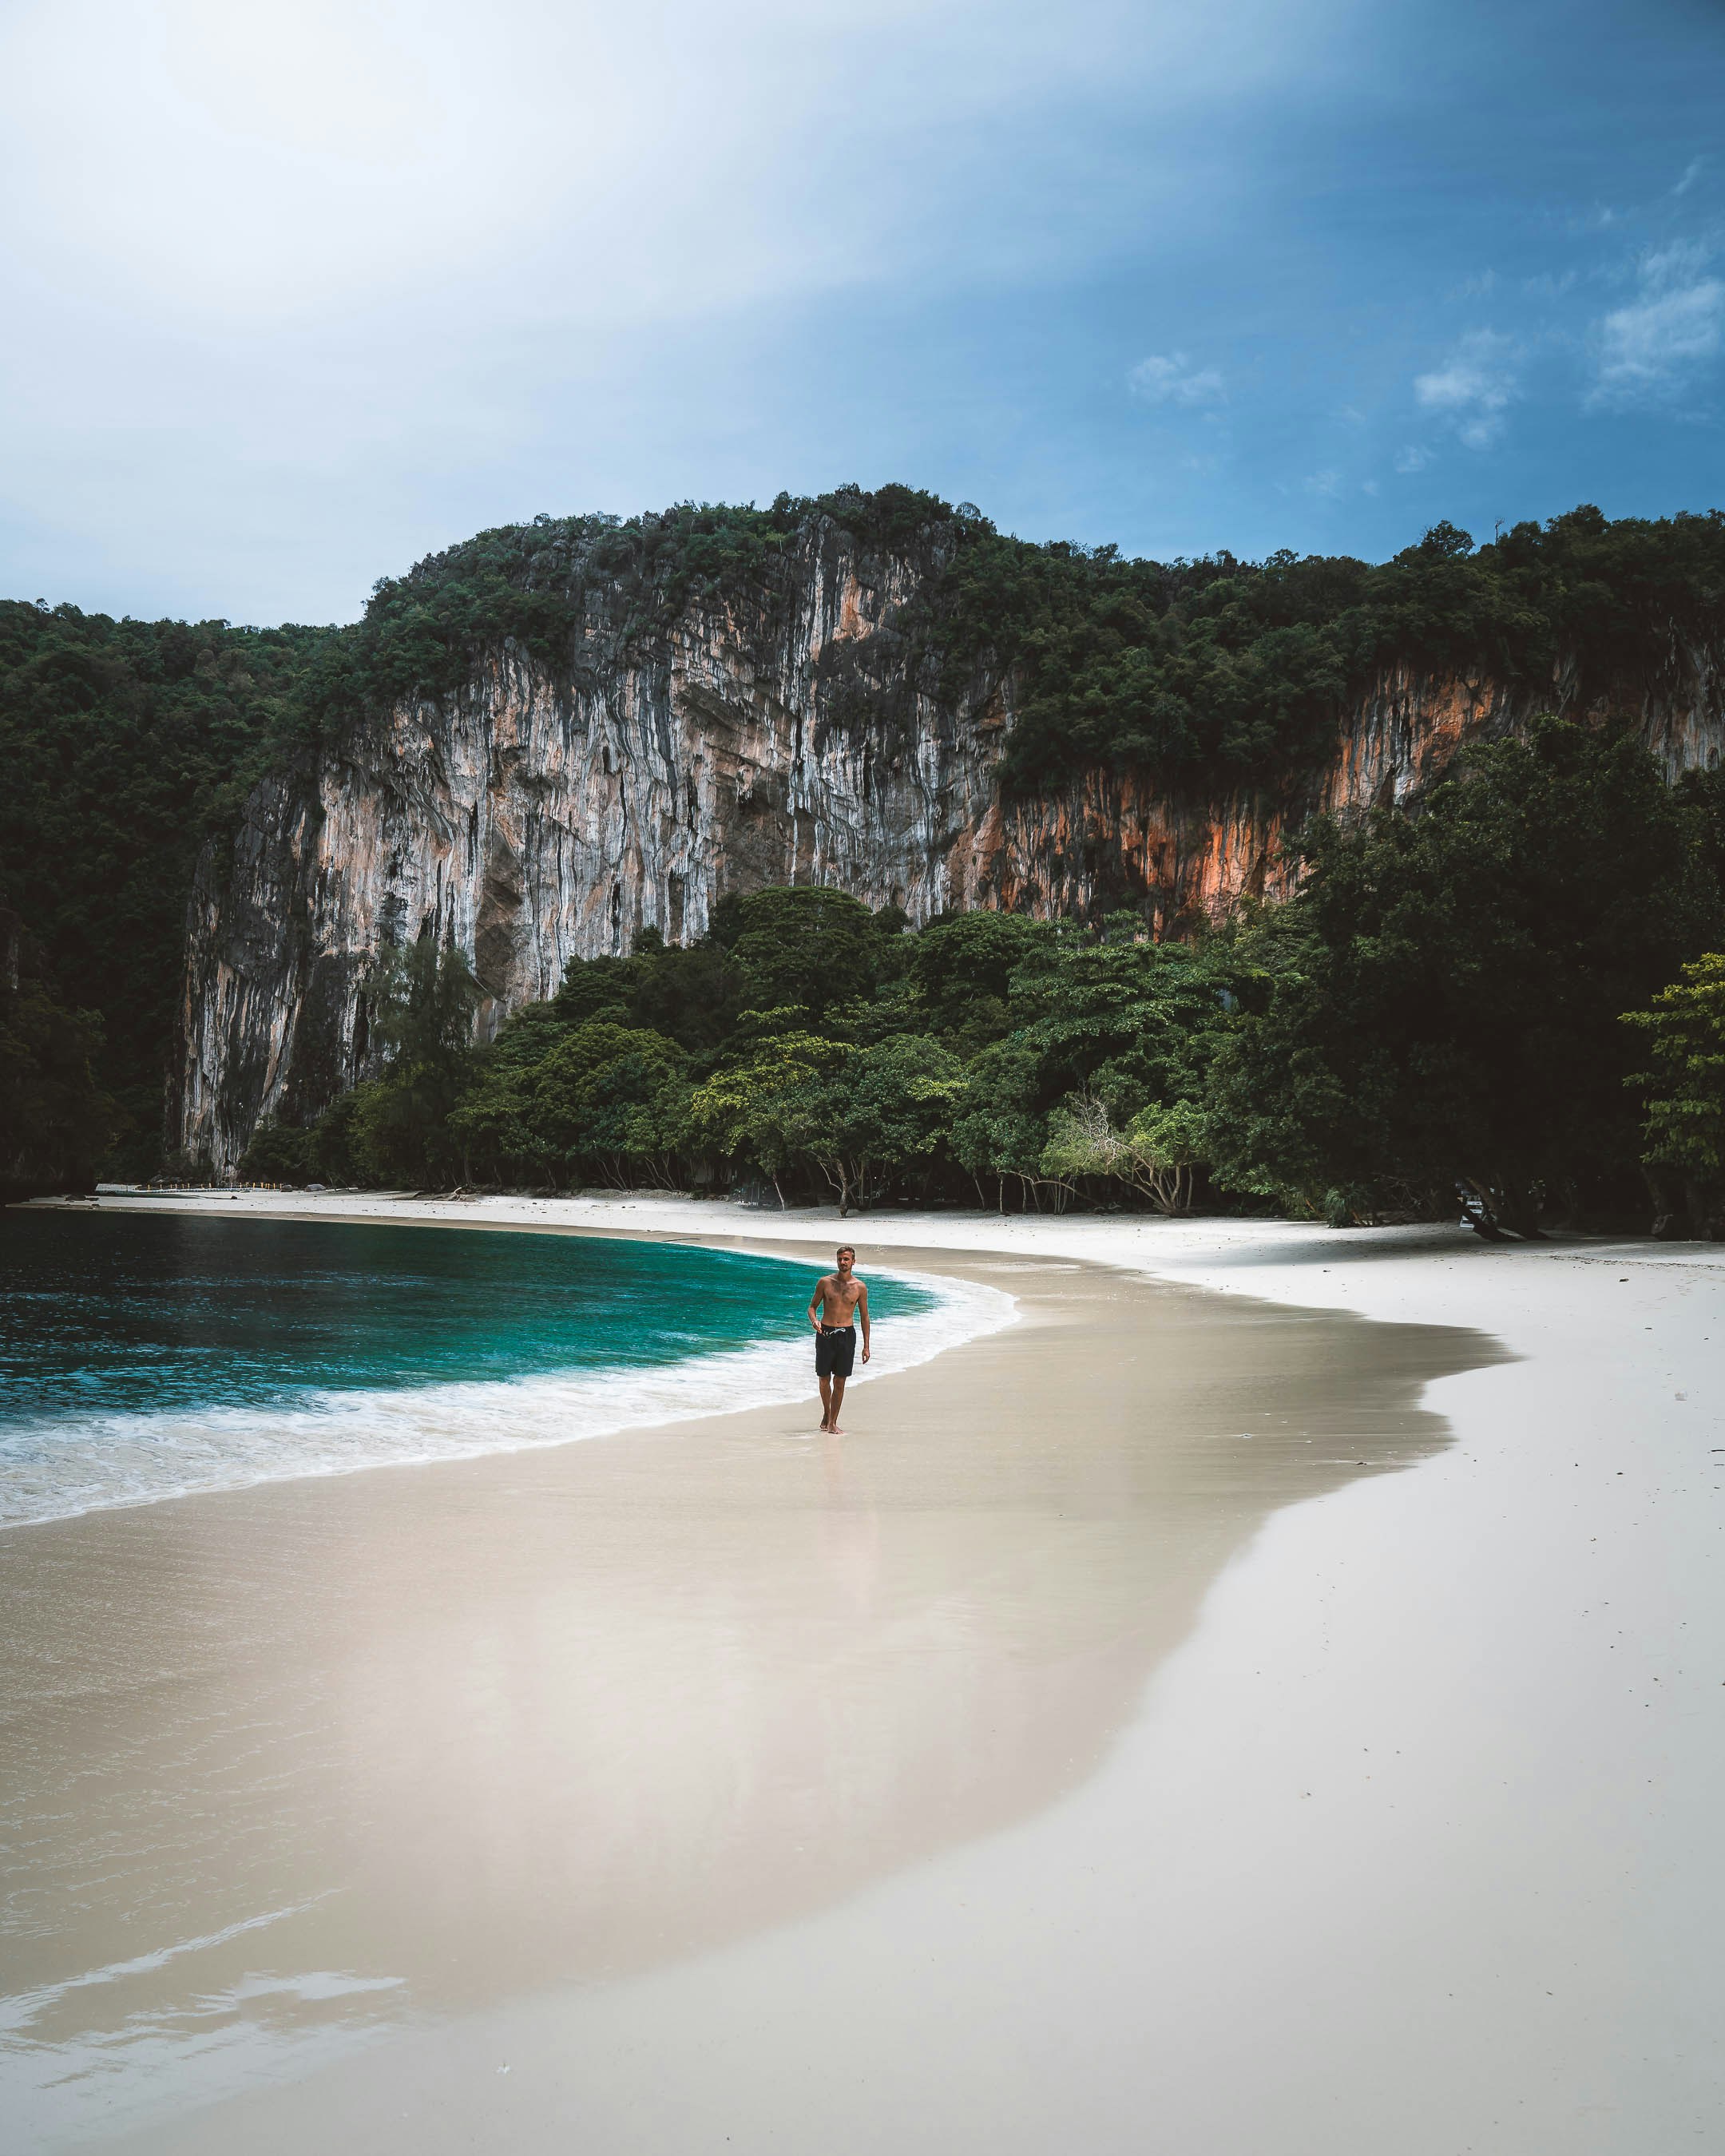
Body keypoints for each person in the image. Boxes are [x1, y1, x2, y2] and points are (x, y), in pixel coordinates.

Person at [807, 1245, 870, 1433]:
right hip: (825, 1333)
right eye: (840, 1259)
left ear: (853, 1262)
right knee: (824, 1378)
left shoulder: (859, 1287)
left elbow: (865, 1317)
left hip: (846, 1335)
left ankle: (833, 1422)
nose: (842, 1262)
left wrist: (866, 1346)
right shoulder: (825, 1283)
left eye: (846, 1259)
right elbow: (812, 1307)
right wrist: (814, 1320)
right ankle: (827, 1413)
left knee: (840, 1381)